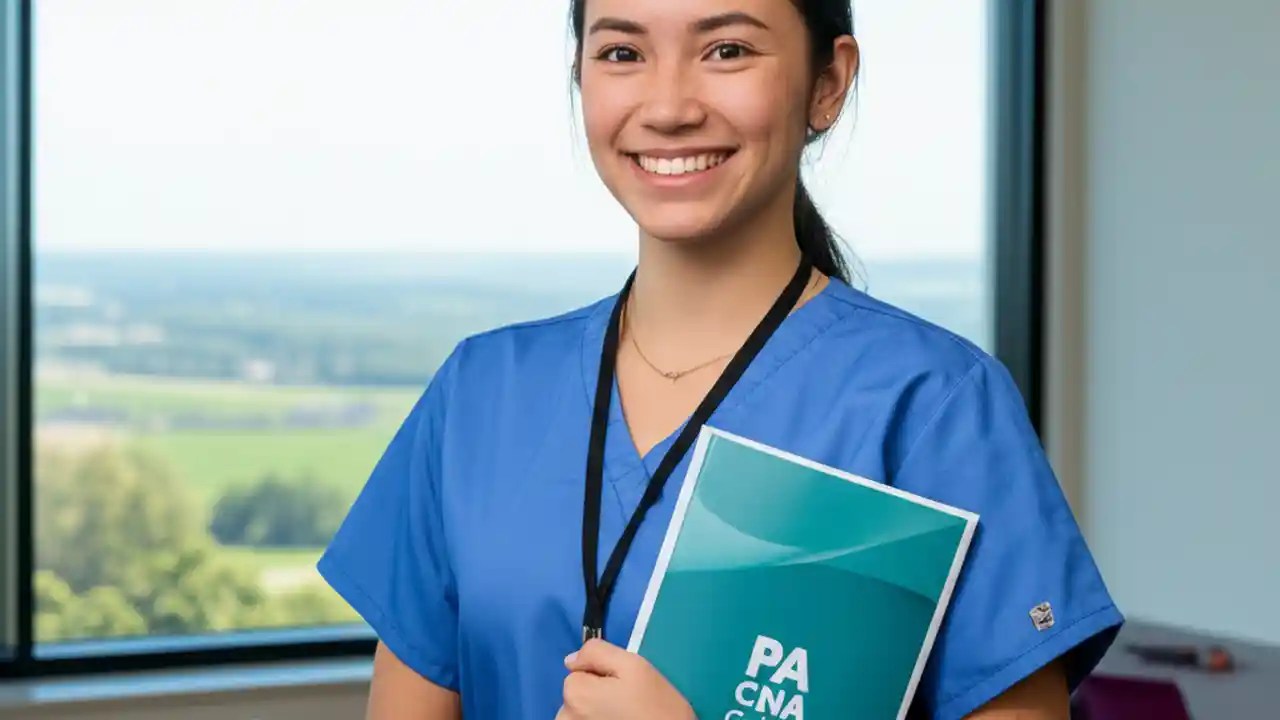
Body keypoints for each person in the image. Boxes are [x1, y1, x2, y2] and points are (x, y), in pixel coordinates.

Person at [316, 0, 1124, 717]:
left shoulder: (932, 405)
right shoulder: (481, 395)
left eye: (727, 49)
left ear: (827, 82)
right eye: (622, 52)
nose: (667, 107)